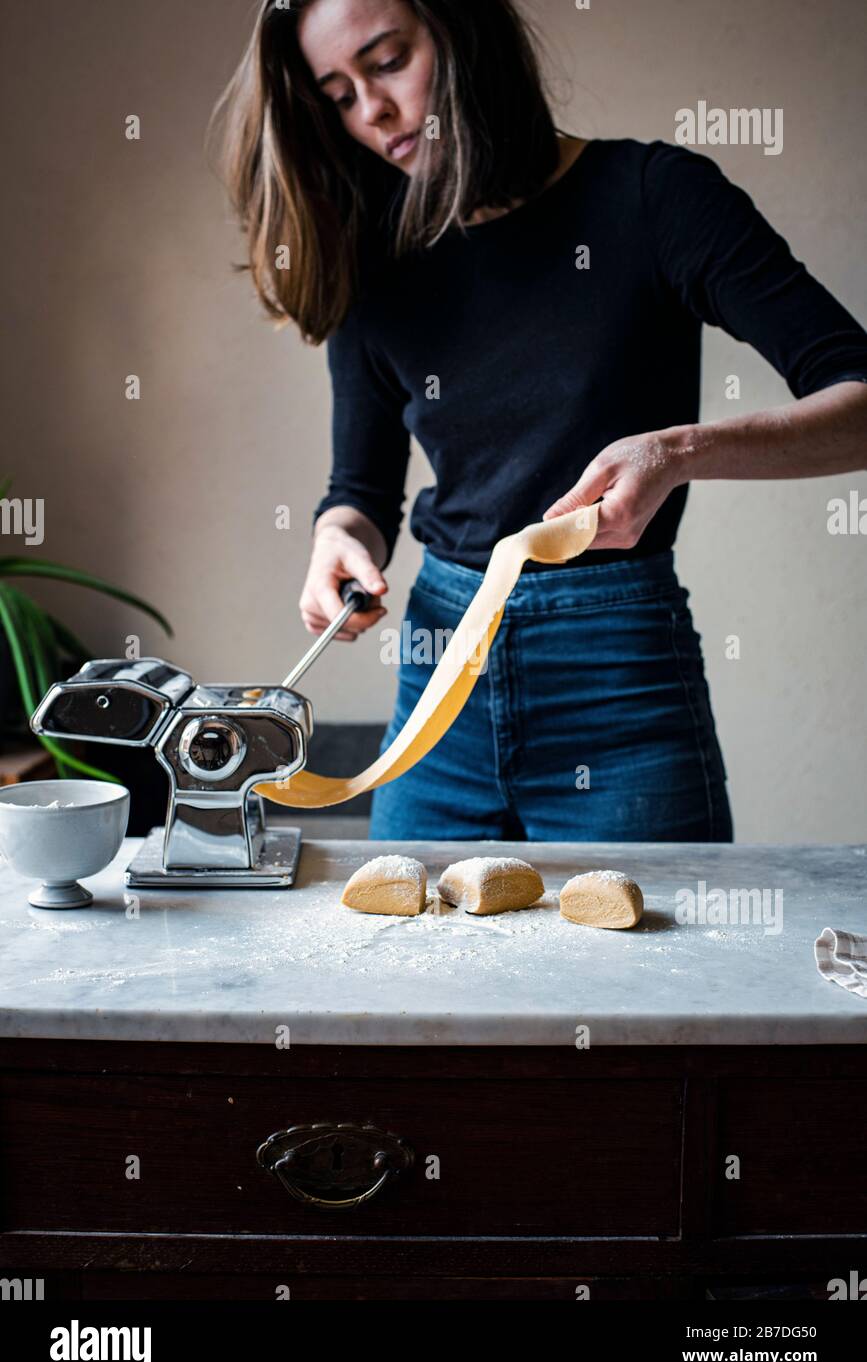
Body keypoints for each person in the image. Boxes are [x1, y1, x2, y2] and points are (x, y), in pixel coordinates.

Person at [214, 0, 867, 842]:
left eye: (385, 61)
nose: (370, 112)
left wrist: (675, 452)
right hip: (437, 683)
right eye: (337, 95)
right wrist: (336, 539)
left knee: (654, 971)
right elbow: (361, 490)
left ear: (463, 31)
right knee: (409, 966)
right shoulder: (369, 253)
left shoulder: (654, 196)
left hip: (620, 681)